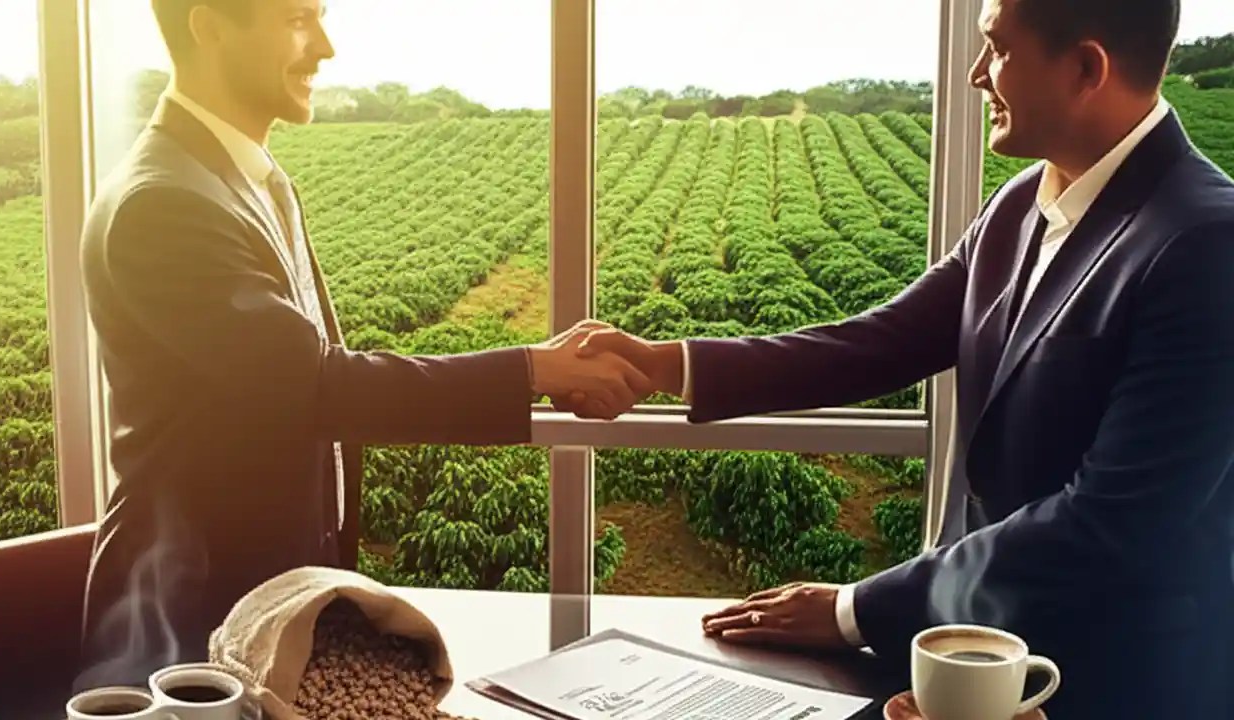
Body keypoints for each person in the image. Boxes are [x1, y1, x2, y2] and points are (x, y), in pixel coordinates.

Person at [574, 0, 1234, 716]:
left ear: (1084, 68)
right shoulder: (1020, 204)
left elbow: (1114, 519)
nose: (977, 73)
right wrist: (664, 364)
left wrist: (852, 610)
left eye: (997, 49)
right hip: (985, 657)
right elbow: (880, 342)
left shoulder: (1207, 242)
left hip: (1117, 684)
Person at [74, 0, 648, 690]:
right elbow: (316, 385)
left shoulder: (236, 177)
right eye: (297, 19)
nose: (325, 47)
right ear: (210, 27)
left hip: (261, 609)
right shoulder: (164, 203)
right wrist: (531, 369)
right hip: (186, 629)